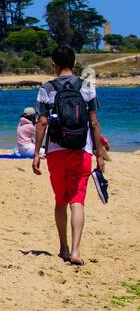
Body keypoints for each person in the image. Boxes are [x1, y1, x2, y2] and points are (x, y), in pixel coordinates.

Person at [32, 45, 107, 266]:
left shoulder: (47, 88)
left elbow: (42, 122)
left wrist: (37, 152)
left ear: (53, 64)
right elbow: (93, 121)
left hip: (55, 151)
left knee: (60, 200)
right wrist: (99, 153)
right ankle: (75, 251)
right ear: (74, 63)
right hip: (81, 150)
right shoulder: (86, 86)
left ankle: (63, 248)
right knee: (77, 199)